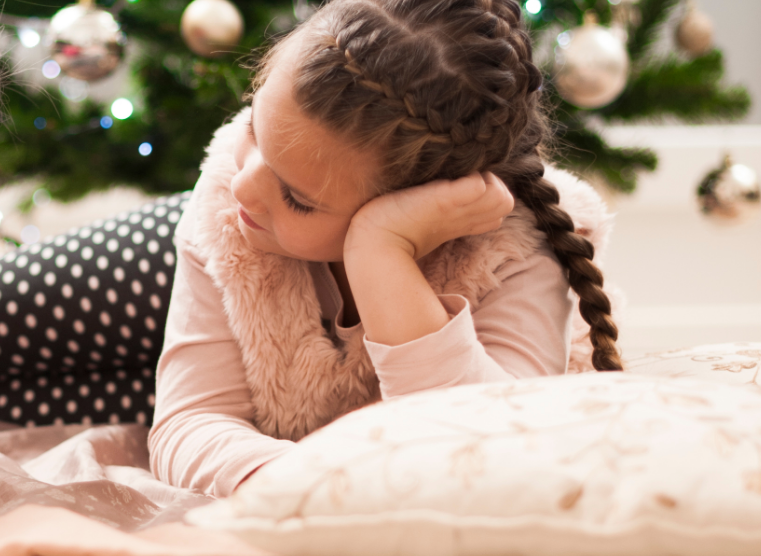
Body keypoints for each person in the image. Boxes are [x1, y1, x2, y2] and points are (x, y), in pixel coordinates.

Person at [147, 0, 622, 497]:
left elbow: (491, 456)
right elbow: (189, 423)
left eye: (298, 199)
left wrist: (380, 253)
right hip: (156, 262)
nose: (243, 185)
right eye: (253, 131)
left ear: (424, 200)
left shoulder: (516, 249)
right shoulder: (229, 197)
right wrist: (328, 486)